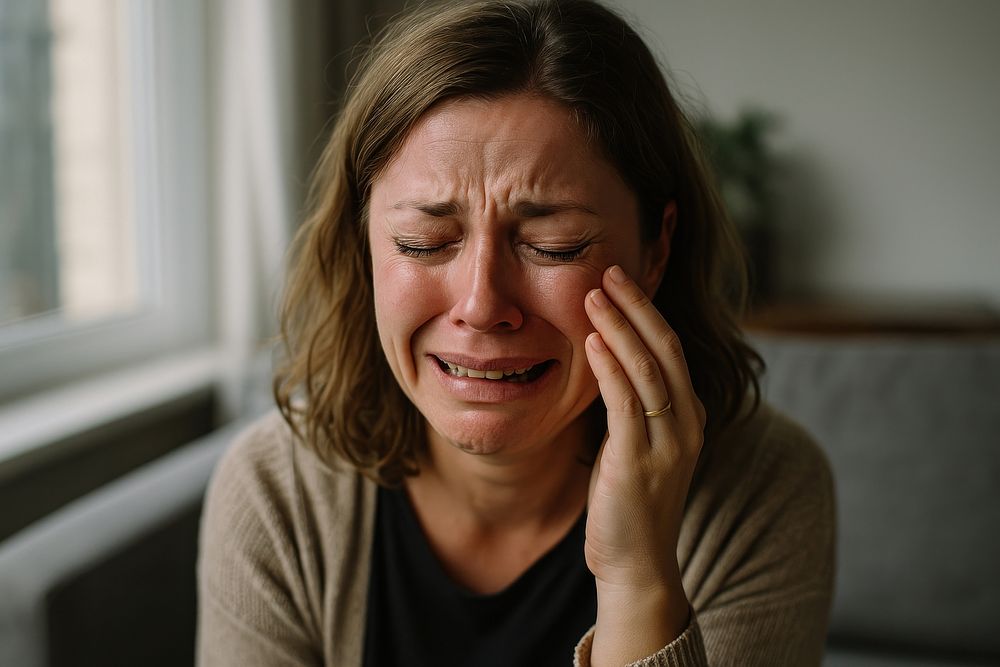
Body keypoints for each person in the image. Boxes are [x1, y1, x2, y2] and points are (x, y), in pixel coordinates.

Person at [196, 1, 835, 665]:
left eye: (553, 245)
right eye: (424, 241)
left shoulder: (762, 488)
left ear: (656, 249)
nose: (481, 303)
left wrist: (640, 577)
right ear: (364, 244)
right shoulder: (275, 494)